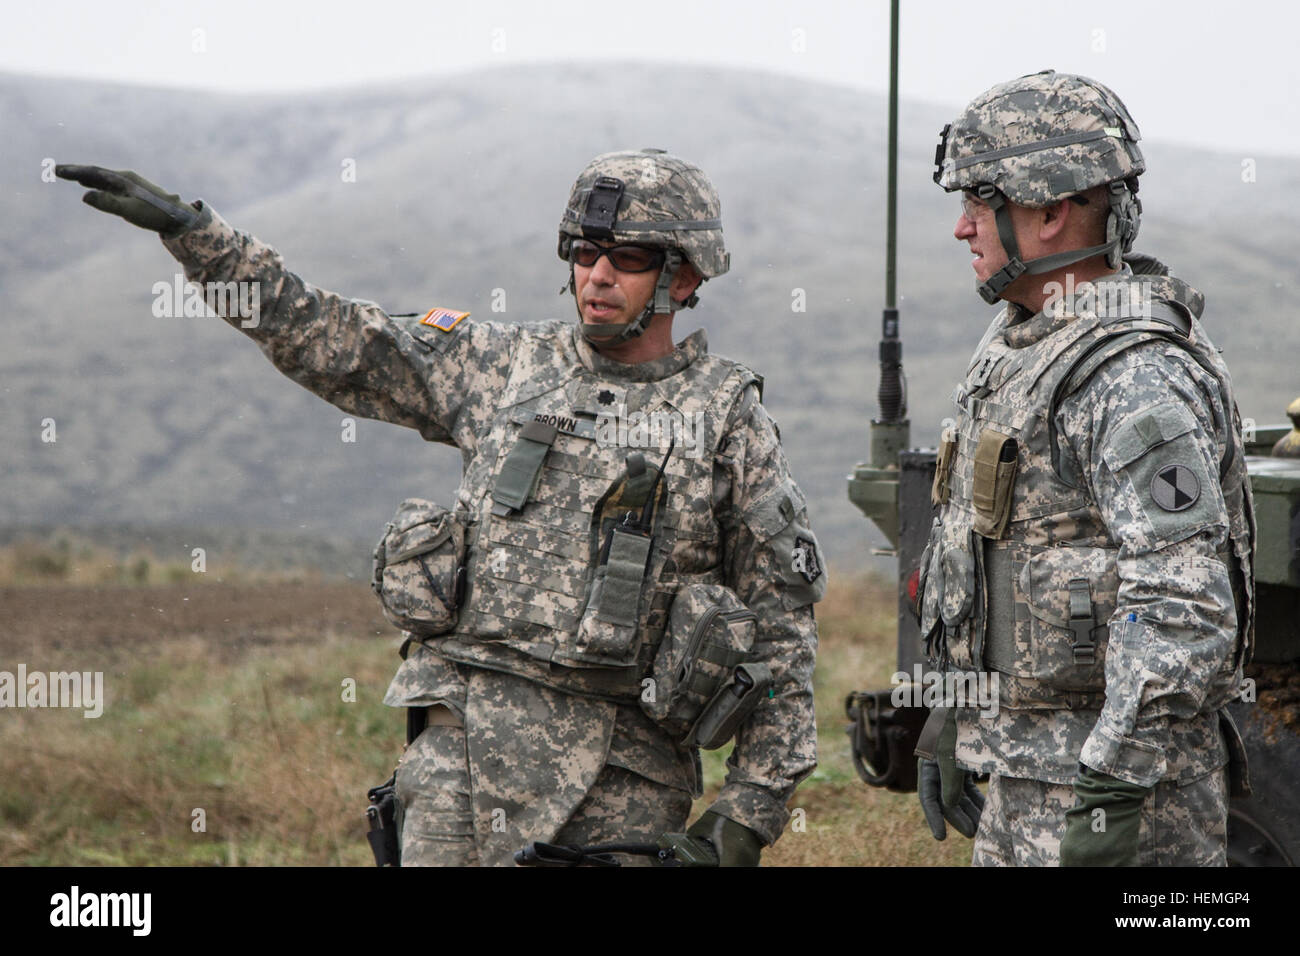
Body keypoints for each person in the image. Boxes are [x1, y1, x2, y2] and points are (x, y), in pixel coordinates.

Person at [57, 148, 823, 866]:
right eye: (584, 255)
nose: (597, 276)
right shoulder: (502, 366)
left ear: (683, 278)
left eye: (626, 259)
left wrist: (746, 814)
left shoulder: (726, 418)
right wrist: (201, 239)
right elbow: (331, 337)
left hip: (624, 778)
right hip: (461, 750)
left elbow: (781, 628)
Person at [915, 71, 1255, 866]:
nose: (962, 228)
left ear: (1047, 209)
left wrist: (1112, 791)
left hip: (1119, 800)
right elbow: (989, 555)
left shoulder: (1132, 374)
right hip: (1026, 772)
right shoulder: (1025, 341)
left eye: (976, 201)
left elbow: (1179, 600)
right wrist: (952, 710)